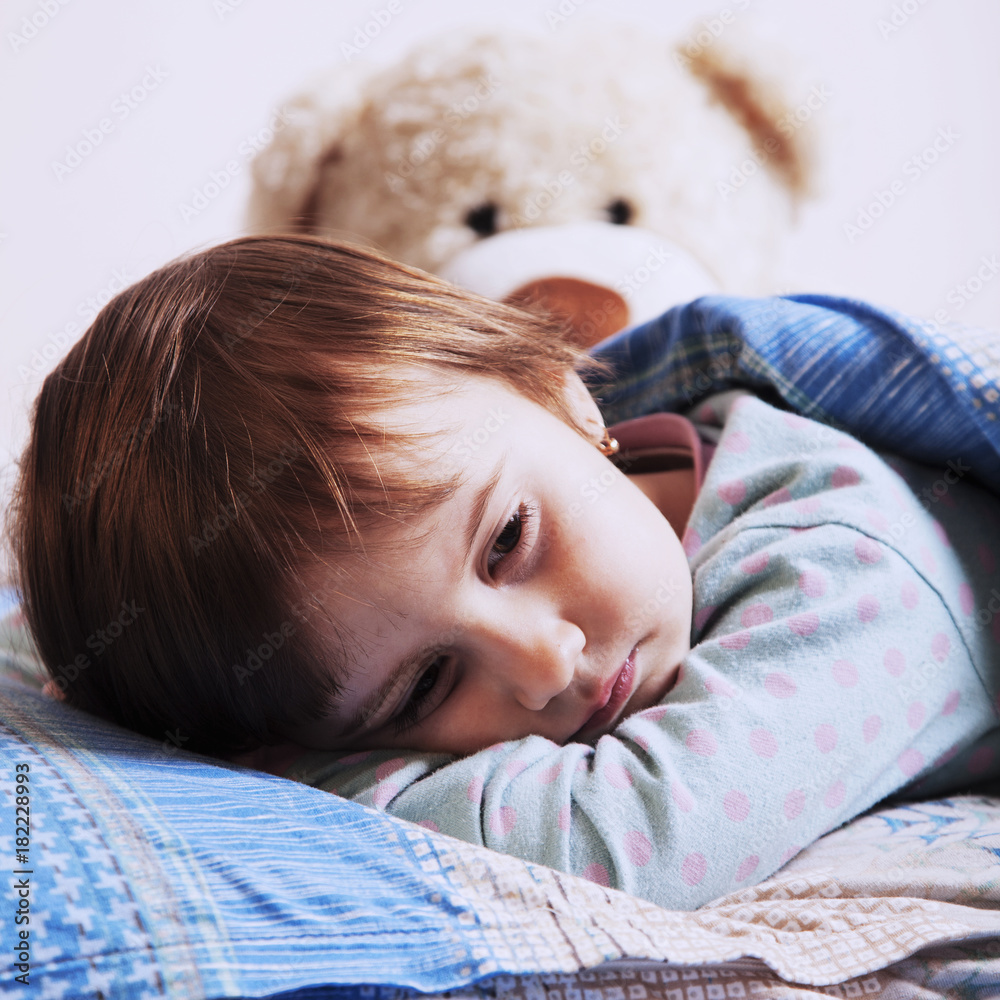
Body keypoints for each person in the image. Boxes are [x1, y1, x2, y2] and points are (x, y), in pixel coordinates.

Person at [8, 234, 1000, 911]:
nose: (543, 663)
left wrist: (298, 768)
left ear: (561, 392)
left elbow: (621, 850)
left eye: (507, 541)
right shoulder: (515, 492)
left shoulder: (853, 556)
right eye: (425, 683)